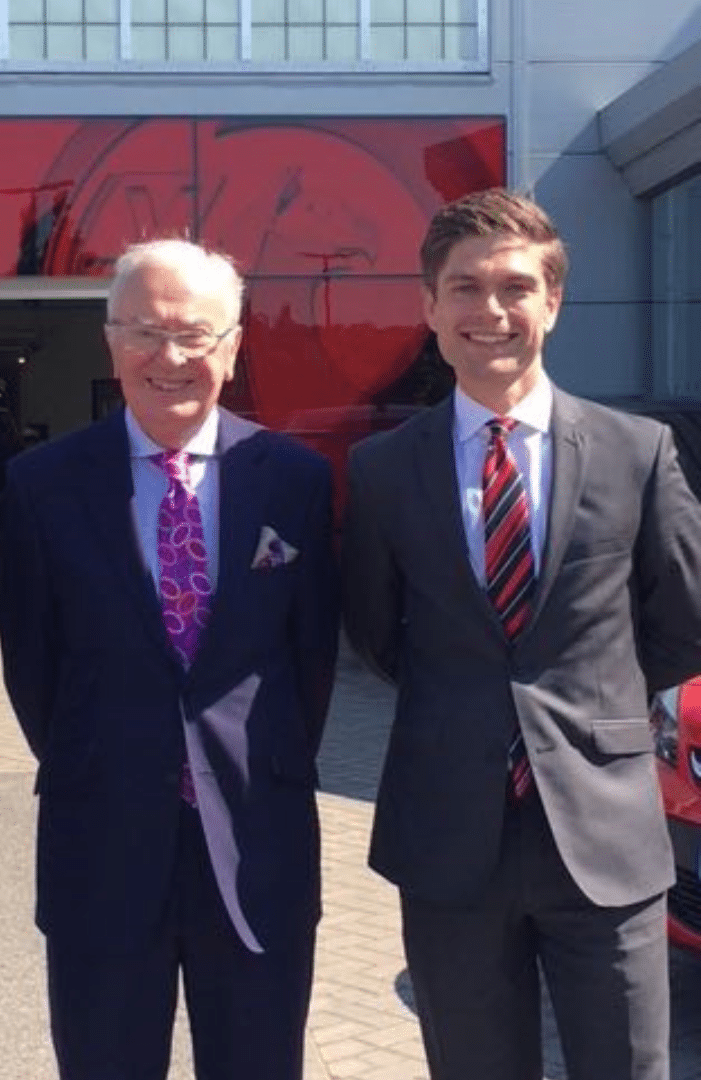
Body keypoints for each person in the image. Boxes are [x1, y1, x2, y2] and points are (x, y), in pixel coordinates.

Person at [341, 187, 701, 1080]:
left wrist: (596, 701)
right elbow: (377, 634)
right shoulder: (383, 470)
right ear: (429, 307)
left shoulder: (638, 451)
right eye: (464, 288)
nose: (489, 311)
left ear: (552, 301)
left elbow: (685, 622)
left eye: (514, 287)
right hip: (448, 836)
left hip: (607, 836)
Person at [0, 238, 340, 1080]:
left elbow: (312, 664)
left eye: (196, 334)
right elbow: (31, 669)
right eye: (146, 331)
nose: (172, 357)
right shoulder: (43, 485)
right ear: (112, 341)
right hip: (101, 845)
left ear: (232, 344)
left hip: (258, 846)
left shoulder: (293, 478)